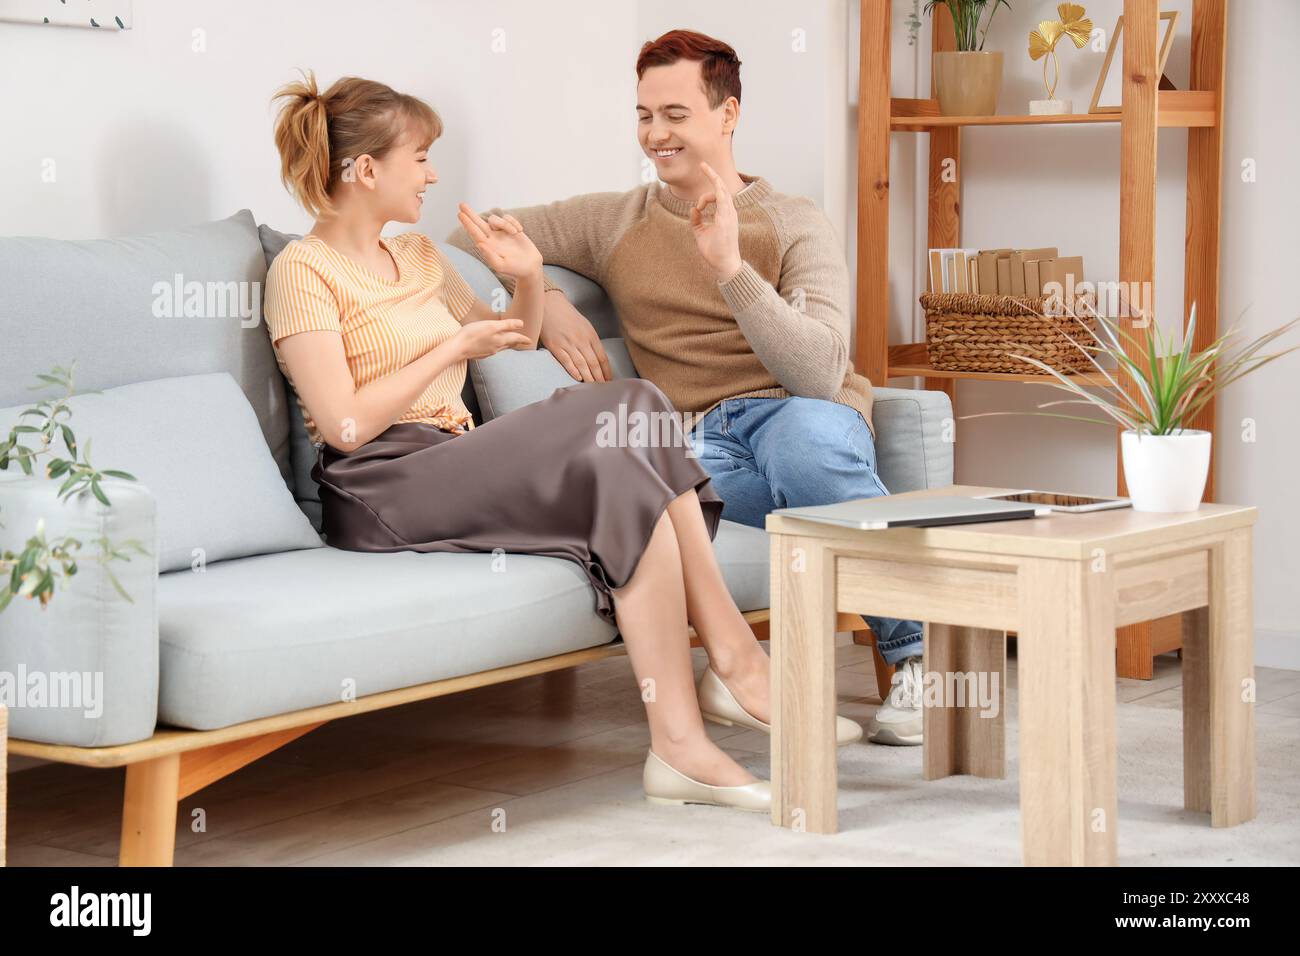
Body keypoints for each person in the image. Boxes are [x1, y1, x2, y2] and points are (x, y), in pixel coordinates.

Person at [261, 71, 864, 816]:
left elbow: (512, 335)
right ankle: (737, 665)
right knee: (629, 410)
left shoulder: (418, 254)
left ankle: (679, 745)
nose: (432, 174)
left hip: (451, 455)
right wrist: (449, 349)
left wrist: (528, 280)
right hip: (380, 483)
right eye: (419, 158)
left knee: (633, 449)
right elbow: (344, 425)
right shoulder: (302, 271)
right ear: (364, 170)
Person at [447, 30, 926, 746]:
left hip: (798, 414)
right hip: (696, 442)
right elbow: (470, 239)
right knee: (679, 498)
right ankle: (745, 668)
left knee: (806, 451)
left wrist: (731, 268)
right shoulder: (616, 221)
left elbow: (819, 375)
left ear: (728, 114)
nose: (655, 134)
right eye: (644, 115)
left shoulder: (793, 221)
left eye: (675, 114)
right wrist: (546, 297)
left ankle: (915, 658)